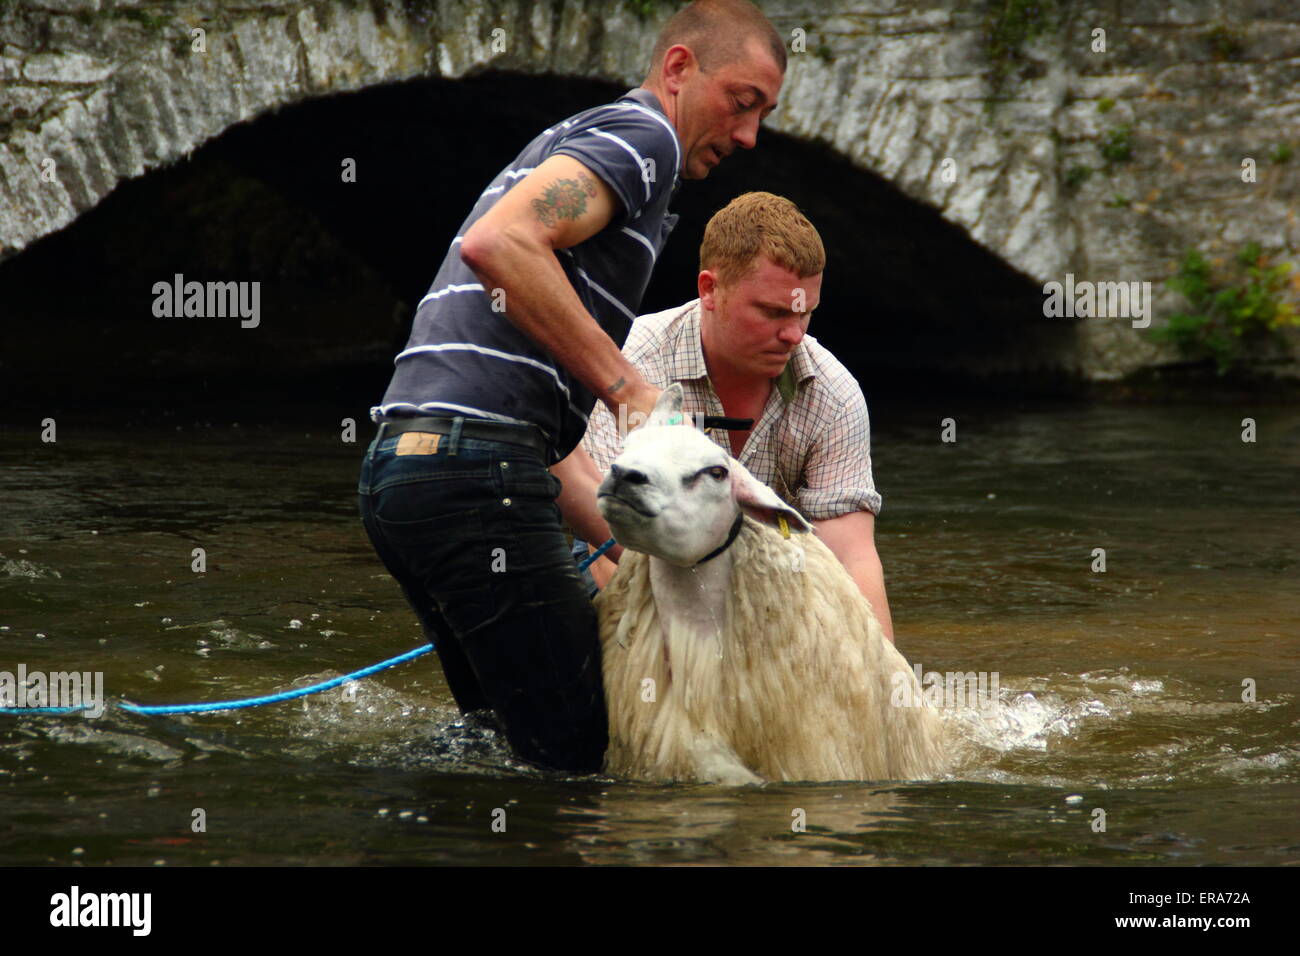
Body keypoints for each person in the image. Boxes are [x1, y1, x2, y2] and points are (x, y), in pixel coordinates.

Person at [356, 0, 786, 773]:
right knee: (593, 754)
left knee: (507, 748)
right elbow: (500, 240)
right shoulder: (643, 138)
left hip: (407, 474)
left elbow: (538, 449)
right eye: (742, 102)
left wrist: (656, 556)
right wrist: (629, 390)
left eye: (763, 115)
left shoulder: (598, 139)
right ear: (680, 68)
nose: (749, 134)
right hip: (471, 476)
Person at [563, 191, 899, 642]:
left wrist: (883, 681)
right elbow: (609, 539)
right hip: (633, 565)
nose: (794, 335)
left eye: (807, 314)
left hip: (768, 579)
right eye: (774, 312)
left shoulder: (833, 394)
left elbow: (852, 558)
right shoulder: (628, 361)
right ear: (710, 290)